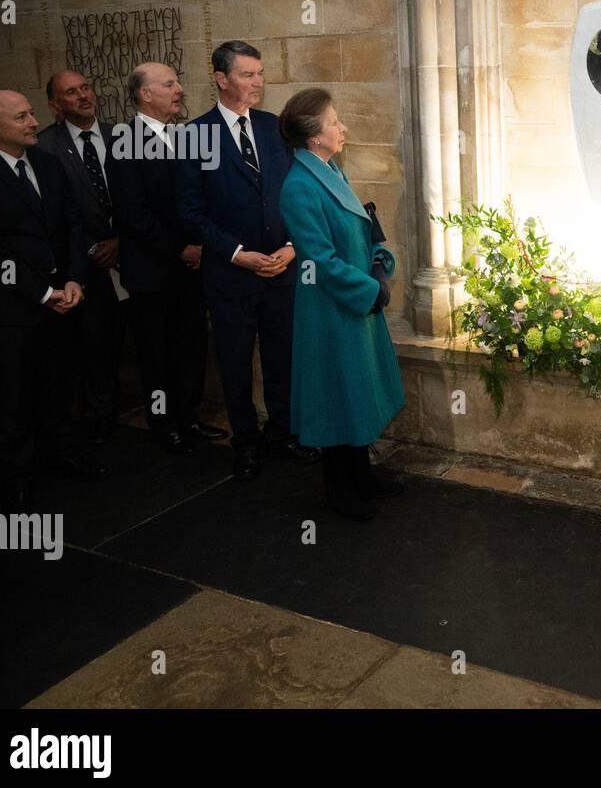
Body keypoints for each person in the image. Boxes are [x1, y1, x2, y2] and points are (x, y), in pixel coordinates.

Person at [177, 41, 319, 480]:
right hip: (230, 275)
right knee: (236, 364)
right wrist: (238, 254)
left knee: (282, 360)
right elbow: (189, 212)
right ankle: (246, 444)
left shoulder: (276, 128)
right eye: (246, 74)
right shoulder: (194, 136)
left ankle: (283, 434)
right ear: (221, 79)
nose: (257, 82)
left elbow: (301, 191)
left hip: (282, 269)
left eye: (260, 73)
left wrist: (294, 246)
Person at [0, 90, 106, 510]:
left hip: (63, 297)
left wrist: (76, 278)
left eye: (30, 113)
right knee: (13, 395)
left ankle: (63, 455)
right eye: (21, 116)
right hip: (9, 310)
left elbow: (73, 226)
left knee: (58, 384)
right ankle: (19, 476)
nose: (31, 121)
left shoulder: (47, 162)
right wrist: (42, 293)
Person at [277, 88, 405, 519]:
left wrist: (376, 263)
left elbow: (359, 231)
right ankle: (340, 489)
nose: (342, 127)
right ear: (313, 137)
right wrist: (371, 291)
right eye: (334, 122)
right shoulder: (298, 186)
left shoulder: (330, 171)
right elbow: (319, 261)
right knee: (336, 394)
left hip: (354, 303)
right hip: (330, 311)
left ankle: (362, 476)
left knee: (358, 391)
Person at [113, 62, 226, 455]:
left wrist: (202, 248)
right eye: (169, 83)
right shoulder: (124, 140)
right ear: (145, 95)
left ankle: (189, 417)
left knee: (191, 346)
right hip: (151, 271)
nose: (179, 88)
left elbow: (200, 201)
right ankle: (162, 424)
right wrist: (180, 249)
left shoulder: (187, 136)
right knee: (157, 354)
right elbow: (133, 214)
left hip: (193, 267)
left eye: (178, 81)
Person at [38, 70, 123, 444]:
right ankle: (101, 417)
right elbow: (57, 215)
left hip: (131, 252)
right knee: (94, 342)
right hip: (84, 264)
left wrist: (122, 240)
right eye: (71, 93)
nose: (83, 96)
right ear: (56, 106)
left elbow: (141, 197)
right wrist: (93, 248)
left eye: (86, 87)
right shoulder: (44, 147)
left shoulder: (121, 135)